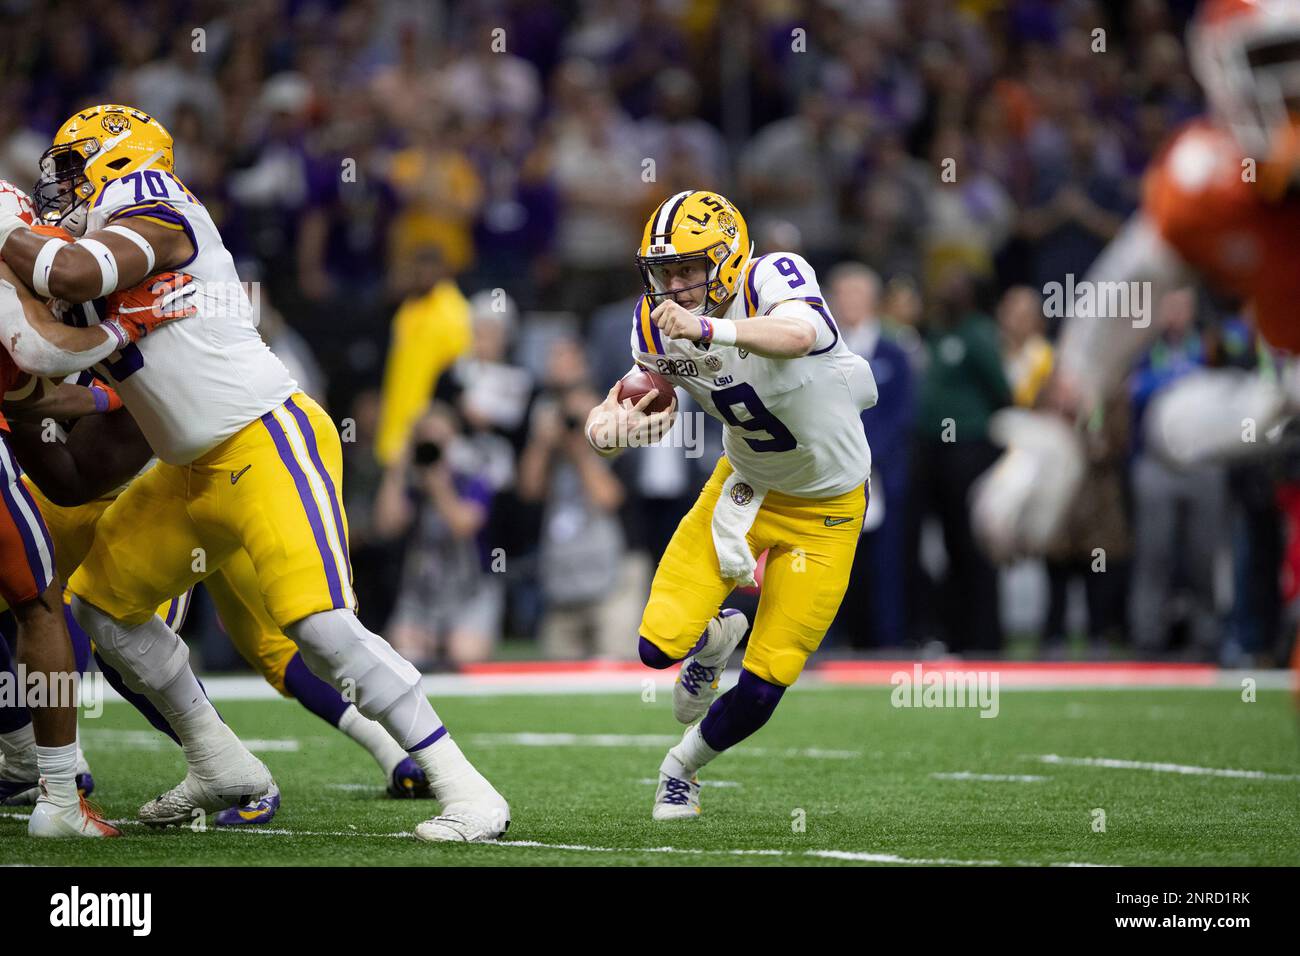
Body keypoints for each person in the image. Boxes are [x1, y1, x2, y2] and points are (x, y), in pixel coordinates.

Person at [0, 104, 508, 842]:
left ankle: (466, 788)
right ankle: (219, 762)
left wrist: (15, 242)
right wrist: (63, 367)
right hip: (186, 468)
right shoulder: (90, 287)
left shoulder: (159, 204)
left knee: (322, 626)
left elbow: (69, 266)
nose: (60, 191)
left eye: (73, 170)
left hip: (265, 435)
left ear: (118, 160)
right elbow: (68, 436)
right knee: (104, 609)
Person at [584, 189, 877, 820]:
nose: (675, 286)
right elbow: (637, 397)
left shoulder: (772, 274)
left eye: (689, 269)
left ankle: (681, 769)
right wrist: (605, 428)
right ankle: (715, 642)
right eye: (665, 272)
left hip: (829, 506)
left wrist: (709, 328)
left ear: (728, 254)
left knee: (768, 680)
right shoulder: (652, 321)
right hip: (745, 489)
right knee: (657, 647)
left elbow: (805, 332)